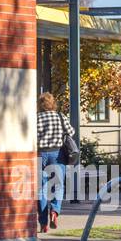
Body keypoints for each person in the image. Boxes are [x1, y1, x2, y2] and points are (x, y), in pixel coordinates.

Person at [36, 92, 70, 233]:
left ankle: (43, 223)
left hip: (41, 154)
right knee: (58, 186)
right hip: (57, 154)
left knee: (41, 189)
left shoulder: (36, 118)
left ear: (40, 104)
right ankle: (54, 211)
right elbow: (70, 132)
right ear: (52, 103)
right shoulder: (60, 117)